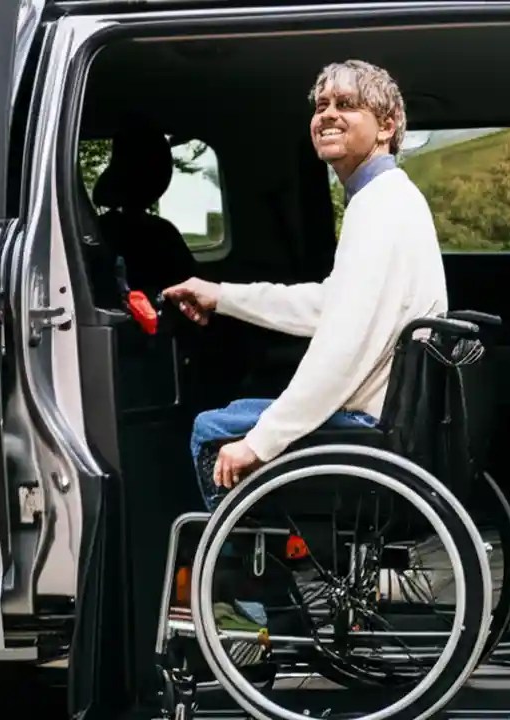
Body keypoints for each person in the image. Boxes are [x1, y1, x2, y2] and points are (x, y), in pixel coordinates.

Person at [163, 60, 448, 511]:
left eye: (347, 104)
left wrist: (261, 442)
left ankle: (241, 558)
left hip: (369, 422)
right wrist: (222, 296)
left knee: (212, 430)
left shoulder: (381, 207)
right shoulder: (385, 198)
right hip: (392, 414)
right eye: (322, 105)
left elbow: (342, 346)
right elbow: (328, 305)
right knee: (239, 413)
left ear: (386, 126)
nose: (328, 114)